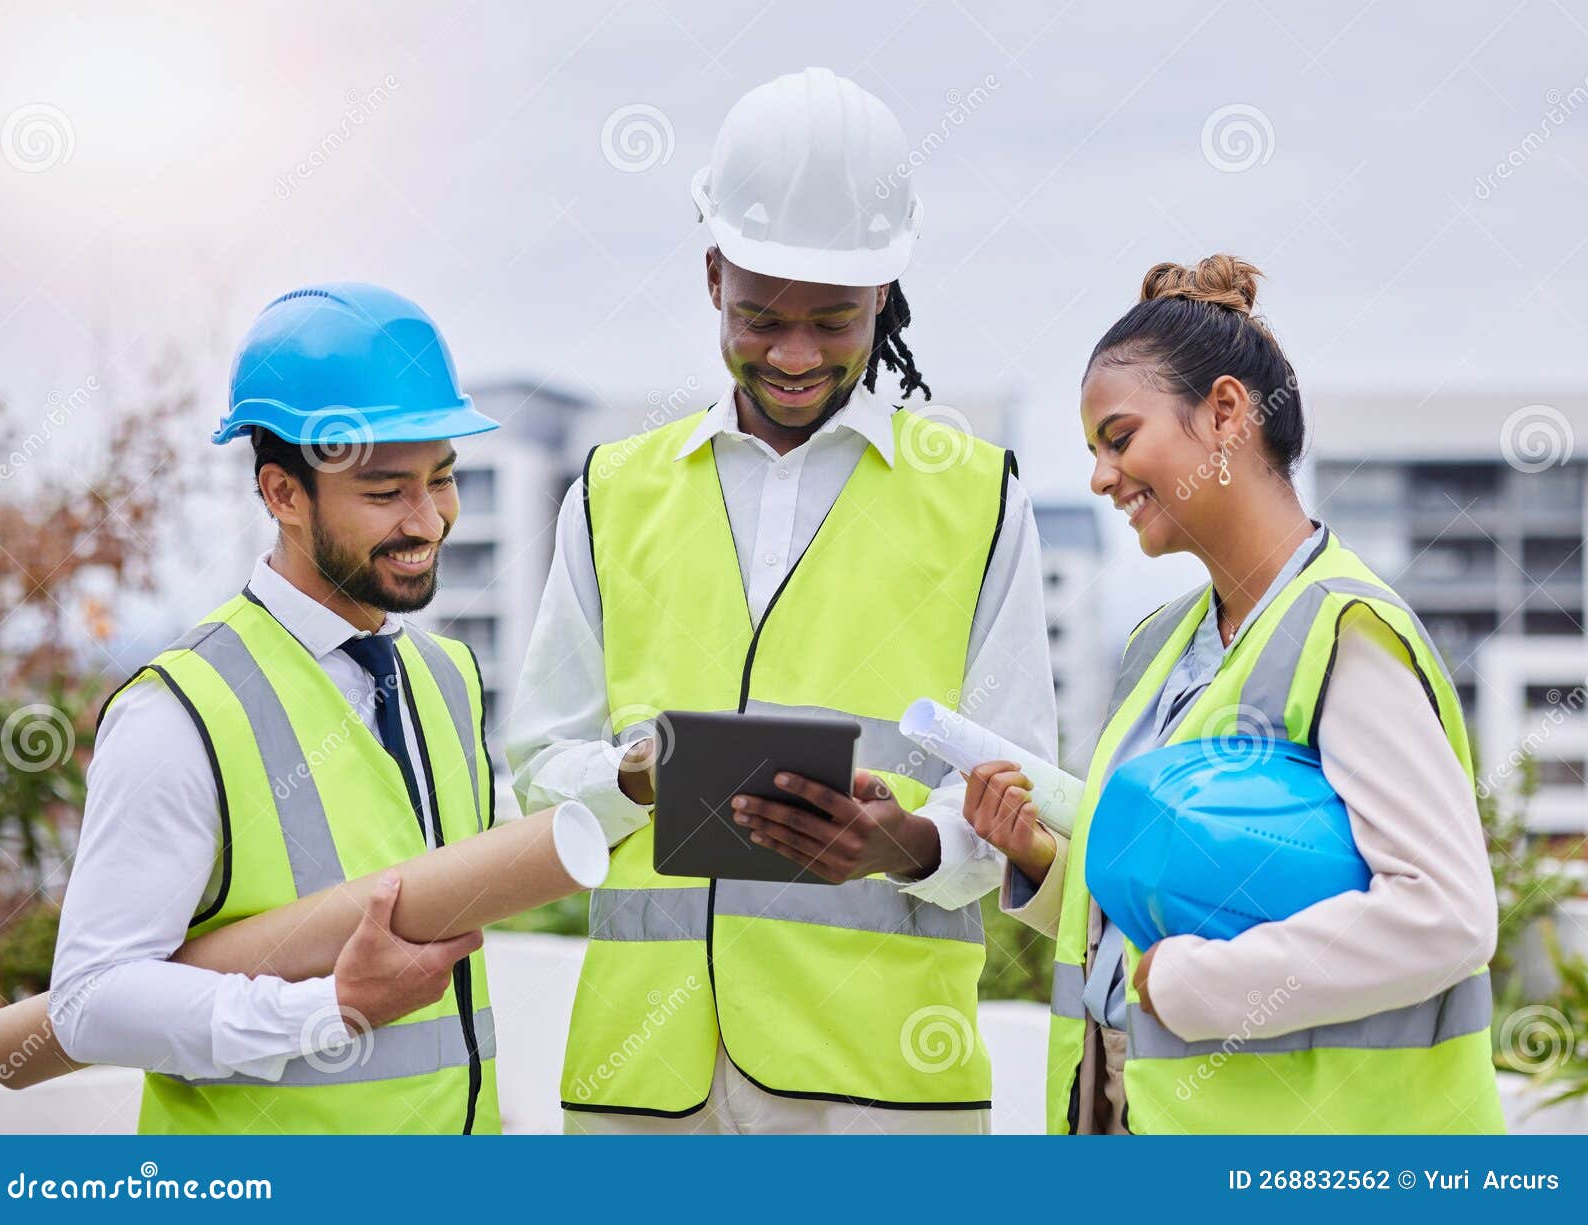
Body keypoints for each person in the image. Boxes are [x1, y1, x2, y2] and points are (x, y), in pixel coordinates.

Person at [509, 68, 1058, 1134]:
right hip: (643, 1092)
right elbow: (536, 768)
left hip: (878, 1098)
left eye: (834, 321)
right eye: (761, 317)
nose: (795, 356)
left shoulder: (977, 499)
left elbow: (1013, 794)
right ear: (711, 273)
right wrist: (630, 777)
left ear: (885, 300)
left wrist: (901, 845)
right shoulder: (614, 492)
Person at [965, 255, 1503, 1134]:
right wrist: (1042, 859)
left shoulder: (1344, 632)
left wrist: (1192, 987)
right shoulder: (1156, 649)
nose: (1101, 476)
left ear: (1223, 413)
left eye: (1119, 436)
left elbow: (1446, 915)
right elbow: (1184, 900)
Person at [50, 282, 507, 1134]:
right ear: (283, 493)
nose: (429, 521)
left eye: (442, 480)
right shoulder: (178, 714)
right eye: (384, 491)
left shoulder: (446, 676)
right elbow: (88, 999)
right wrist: (327, 1009)